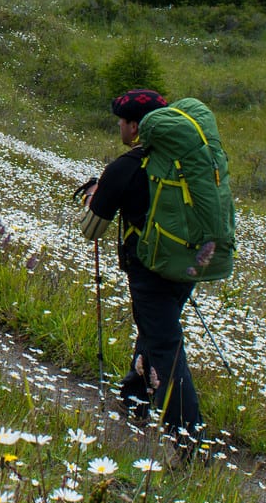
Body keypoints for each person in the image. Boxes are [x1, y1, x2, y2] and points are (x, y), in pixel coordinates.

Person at [78, 88, 204, 442]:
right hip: (188, 266)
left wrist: (93, 195)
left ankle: (190, 441)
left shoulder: (126, 167)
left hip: (149, 270)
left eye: (122, 121)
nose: (119, 127)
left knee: (164, 343)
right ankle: (135, 395)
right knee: (157, 328)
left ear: (135, 128)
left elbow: (92, 229)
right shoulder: (186, 161)